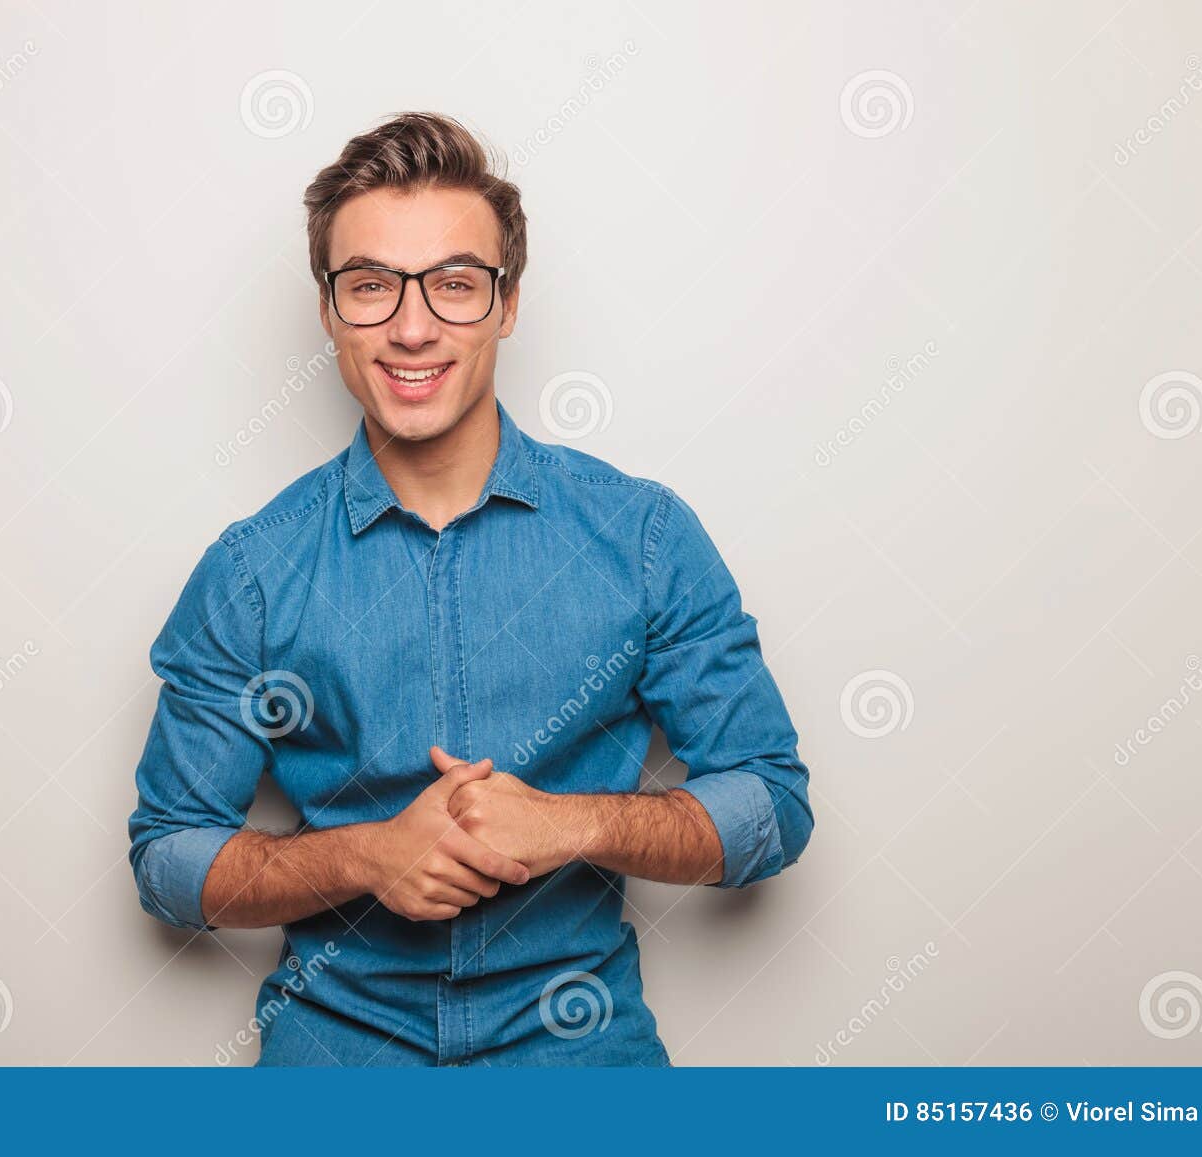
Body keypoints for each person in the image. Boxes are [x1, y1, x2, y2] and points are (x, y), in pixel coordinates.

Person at [127, 112, 813, 1066]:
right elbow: (167, 860)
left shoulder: (644, 537)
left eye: (454, 284)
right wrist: (364, 856)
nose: (412, 328)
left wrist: (571, 823)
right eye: (371, 285)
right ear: (328, 309)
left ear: (508, 302)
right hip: (336, 1053)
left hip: (579, 1049)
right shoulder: (251, 573)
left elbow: (772, 806)